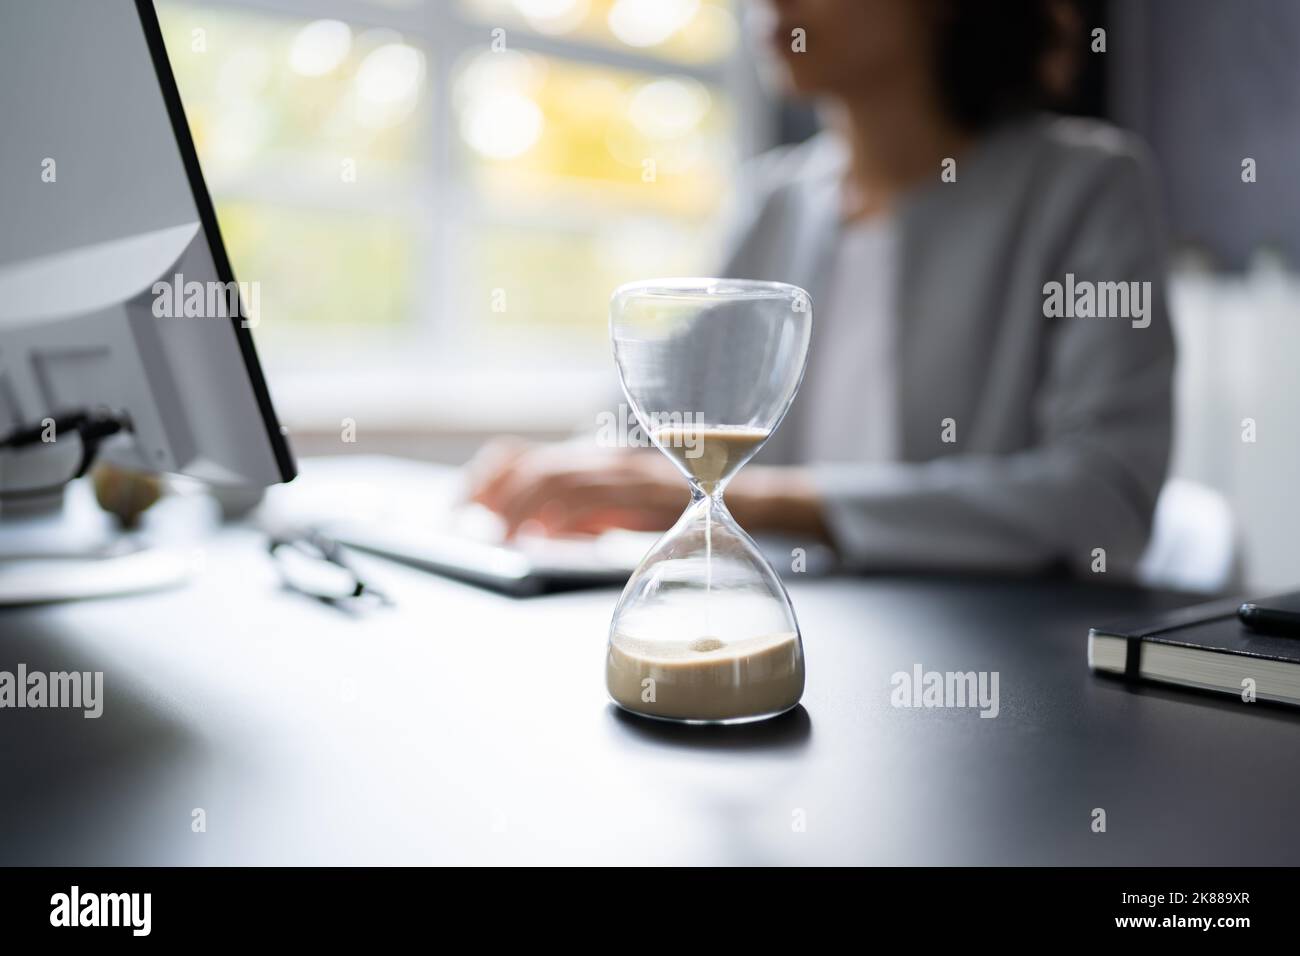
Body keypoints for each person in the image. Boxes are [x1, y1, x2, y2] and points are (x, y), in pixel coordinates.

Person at [469, 0, 1175, 580]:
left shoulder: (1088, 187)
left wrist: (753, 500)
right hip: (794, 632)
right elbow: (641, 435)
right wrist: (552, 472)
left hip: (1013, 665)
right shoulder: (773, 201)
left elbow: (1102, 500)